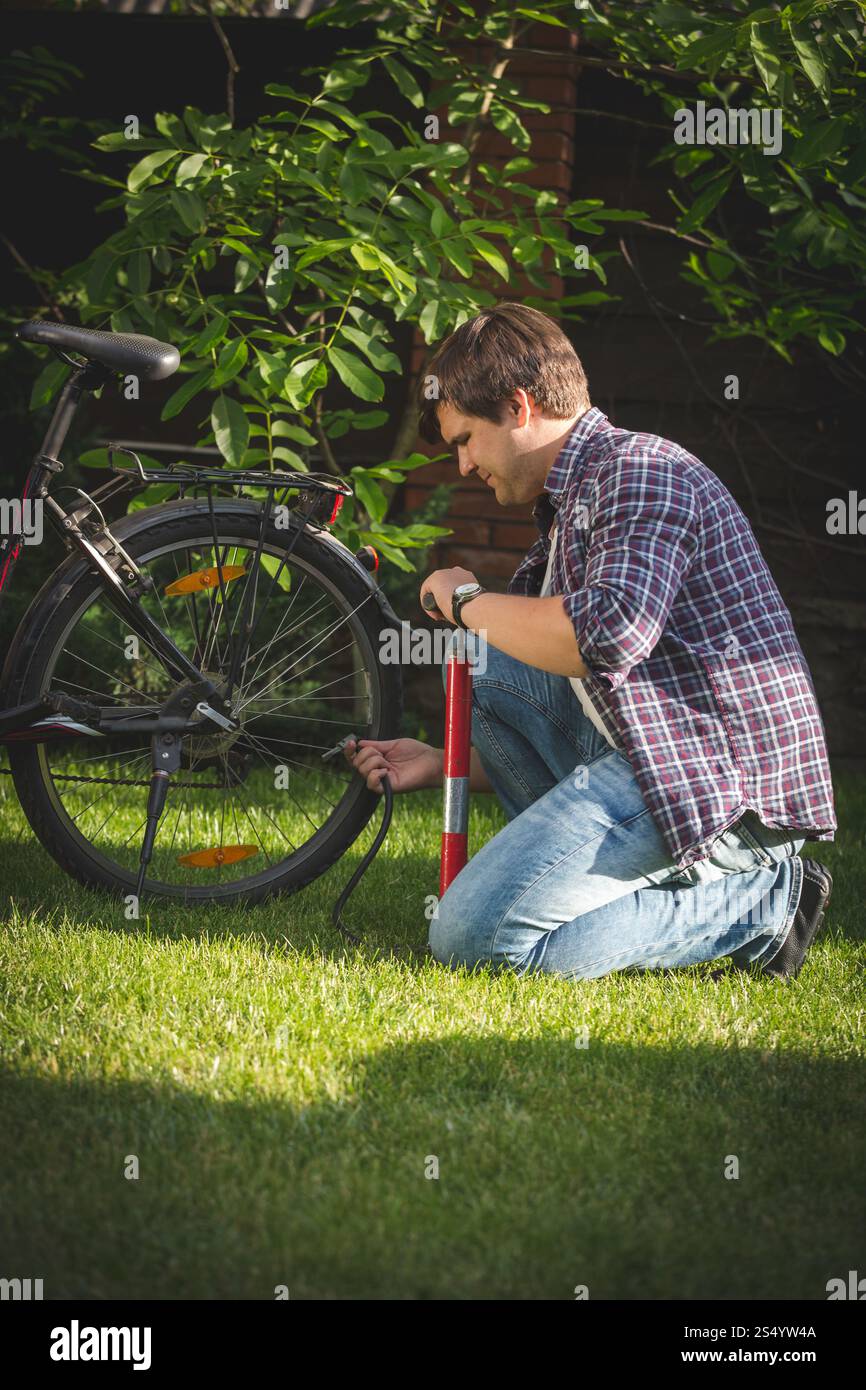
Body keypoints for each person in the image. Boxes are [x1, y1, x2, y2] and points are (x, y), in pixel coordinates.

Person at [344, 302, 835, 981]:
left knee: (468, 937)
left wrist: (467, 601)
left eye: (465, 440)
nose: (461, 466)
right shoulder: (579, 494)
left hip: (715, 782)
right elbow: (584, 698)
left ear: (518, 407)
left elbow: (604, 636)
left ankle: (763, 908)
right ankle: (630, 896)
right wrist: (443, 761)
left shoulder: (642, 472)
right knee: (498, 662)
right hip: (656, 755)